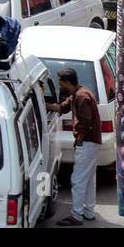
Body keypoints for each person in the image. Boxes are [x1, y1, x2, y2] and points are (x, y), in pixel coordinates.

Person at [47, 67, 102, 225]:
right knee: (89, 179)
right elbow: (61, 108)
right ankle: (89, 211)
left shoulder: (81, 96)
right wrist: (47, 105)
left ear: (66, 82)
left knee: (78, 180)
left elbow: (86, 122)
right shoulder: (77, 93)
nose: (59, 85)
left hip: (87, 143)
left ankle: (76, 215)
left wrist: (79, 138)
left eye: (60, 82)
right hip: (91, 143)